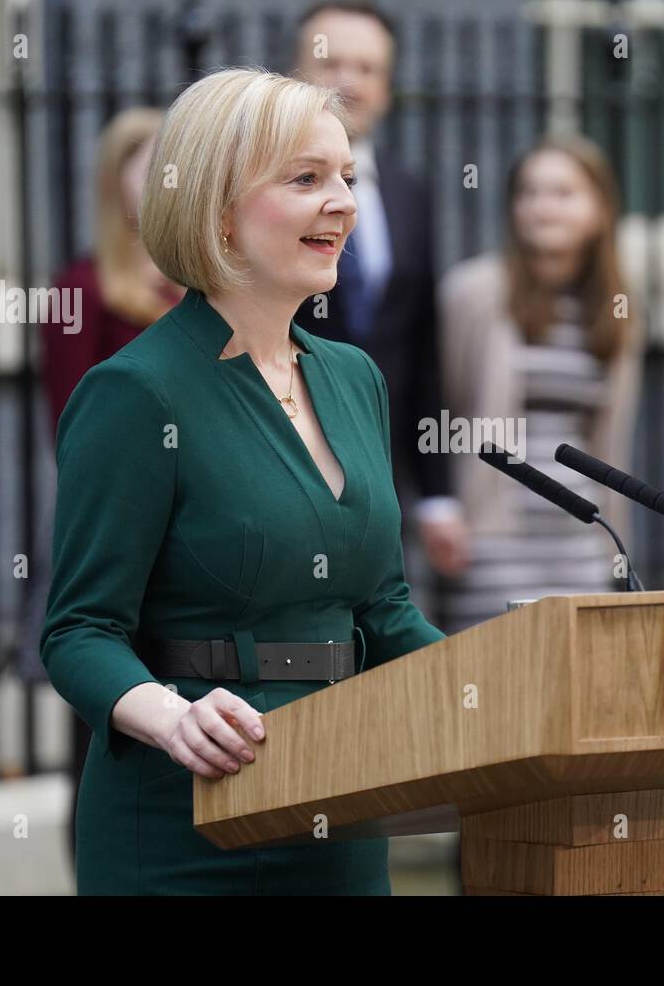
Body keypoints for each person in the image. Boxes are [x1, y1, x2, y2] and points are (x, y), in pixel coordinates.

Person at [40, 67, 445, 894]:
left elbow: (384, 610)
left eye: (347, 177)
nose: (342, 202)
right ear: (217, 209)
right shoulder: (136, 392)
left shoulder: (353, 377)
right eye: (305, 178)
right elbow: (79, 630)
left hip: (341, 809)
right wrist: (171, 715)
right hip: (191, 818)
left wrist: (511, 683)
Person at [16, 106, 183, 868]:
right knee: (105, 705)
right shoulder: (82, 287)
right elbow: (72, 424)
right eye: (148, 165)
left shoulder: (204, 293)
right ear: (115, 182)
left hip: (194, 538)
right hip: (117, 525)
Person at [290, 0, 469, 587]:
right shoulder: (261, 190)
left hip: (380, 475)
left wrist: (436, 496)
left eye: (368, 68)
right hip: (286, 462)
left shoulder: (409, 190)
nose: (350, 81)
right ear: (294, 74)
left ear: (387, 88)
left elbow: (422, 346)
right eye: (331, 61)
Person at [436, 134, 645, 633]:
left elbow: (611, 439)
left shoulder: (620, 308)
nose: (541, 206)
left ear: (600, 209)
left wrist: (614, 541)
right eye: (529, 192)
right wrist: (446, 512)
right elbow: (439, 410)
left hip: (580, 535)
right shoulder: (473, 293)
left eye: (562, 193)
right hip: (491, 536)